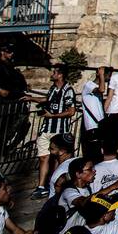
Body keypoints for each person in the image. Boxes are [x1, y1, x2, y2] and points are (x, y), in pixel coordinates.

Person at [33, 66, 77, 196]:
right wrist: (31, 98)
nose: (52, 74)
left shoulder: (68, 90)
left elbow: (71, 111)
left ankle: (57, 185)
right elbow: (48, 100)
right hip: (46, 128)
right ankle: (41, 186)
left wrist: (53, 116)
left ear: (60, 75)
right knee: (43, 157)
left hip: (59, 130)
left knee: (60, 159)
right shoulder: (53, 88)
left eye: (55, 72)